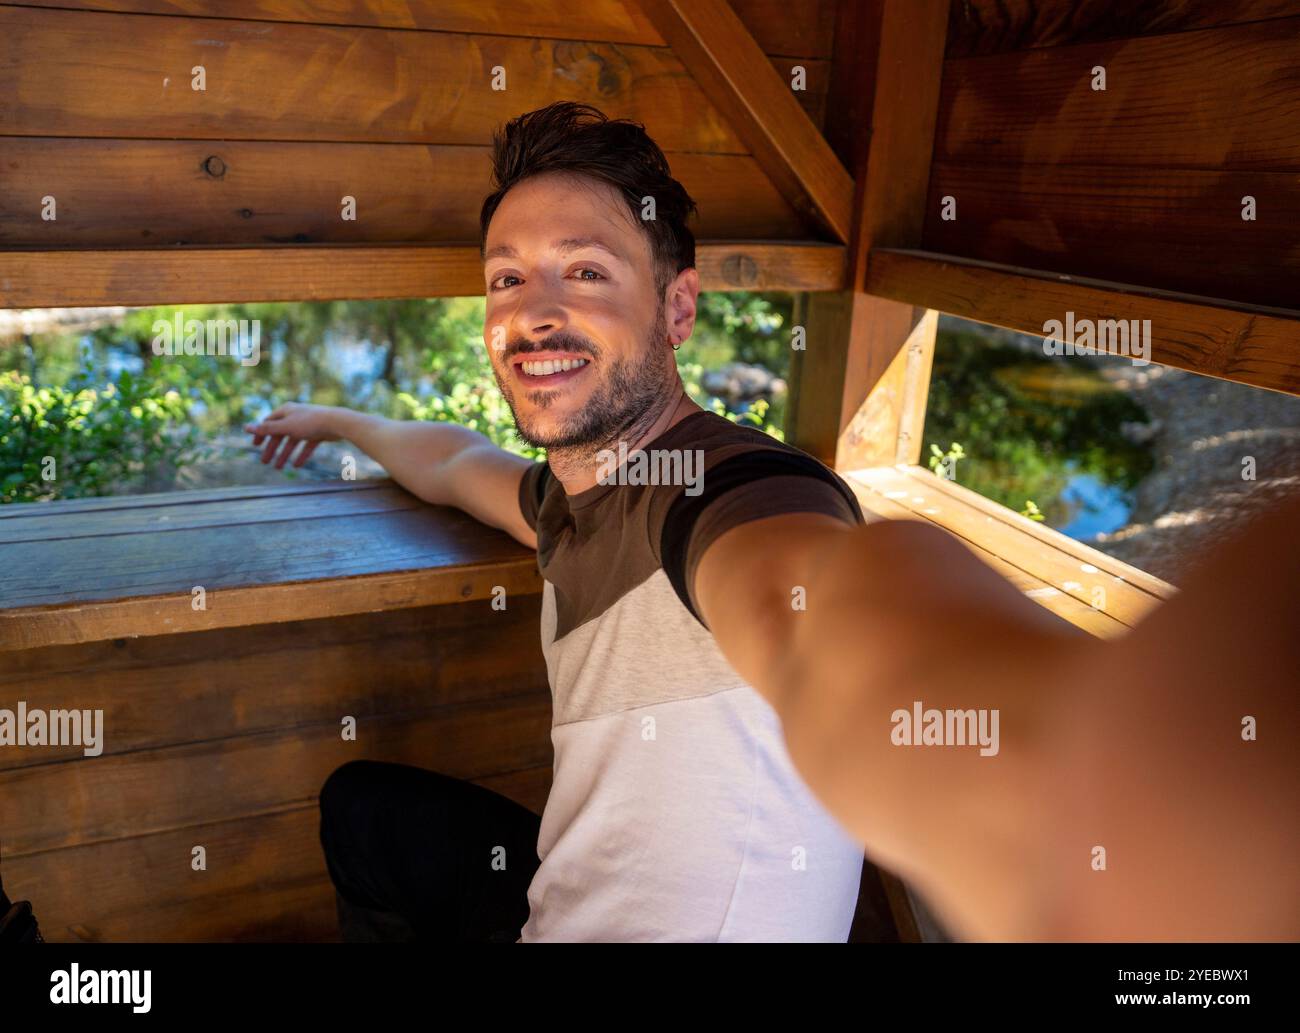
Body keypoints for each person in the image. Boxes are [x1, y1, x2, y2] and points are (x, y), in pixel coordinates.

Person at [246, 102, 1299, 943]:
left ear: (678, 308)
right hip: (561, 893)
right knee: (368, 813)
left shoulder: (725, 491)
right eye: (506, 278)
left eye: (586, 270)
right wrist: (340, 416)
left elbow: (823, 620)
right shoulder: (575, 494)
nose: (531, 309)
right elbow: (456, 462)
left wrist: (1075, 788)